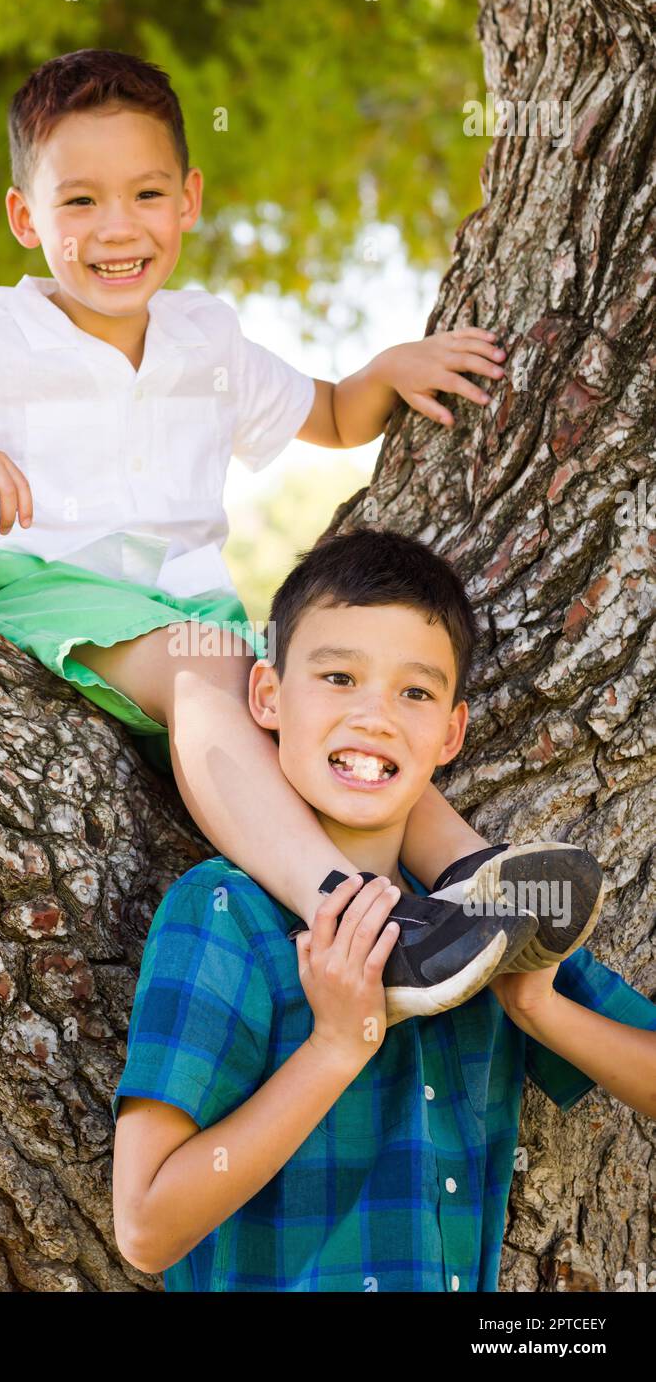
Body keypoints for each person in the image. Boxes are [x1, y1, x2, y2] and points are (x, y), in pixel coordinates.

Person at [0, 47, 601, 1014]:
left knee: (314, 697)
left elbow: (329, 416)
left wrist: (385, 370)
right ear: (24, 216)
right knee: (211, 671)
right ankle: (350, 907)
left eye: (146, 193)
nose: (116, 228)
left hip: (184, 602)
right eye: (78, 202)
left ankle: (477, 876)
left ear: (189, 199)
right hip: (45, 583)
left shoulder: (204, 336)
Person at [110, 528, 656, 1292]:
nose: (374, 716)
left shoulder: (478, 924)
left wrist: (538, 1007)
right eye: (337, 677)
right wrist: (334, 1048)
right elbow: (145, 1227)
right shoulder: (224, 913)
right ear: (266, 696)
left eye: (414, 692)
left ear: (449, 734)